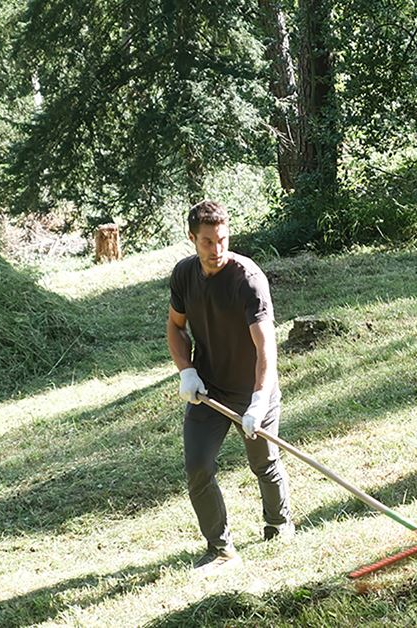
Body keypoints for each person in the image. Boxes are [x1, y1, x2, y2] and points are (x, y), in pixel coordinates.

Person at [166, 199, 294, 574]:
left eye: (222, 239)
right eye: (207, 241)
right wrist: (186, 371)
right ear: (192, 238)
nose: (216, 249)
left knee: (264, 462)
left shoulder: (247, 279)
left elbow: (266, 347)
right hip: (208, 390)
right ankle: (220, 549)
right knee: (198, 467)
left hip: (253, 388)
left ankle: (279, 524)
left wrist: (259, 400)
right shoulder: (184, 274)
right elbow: (175, 325)